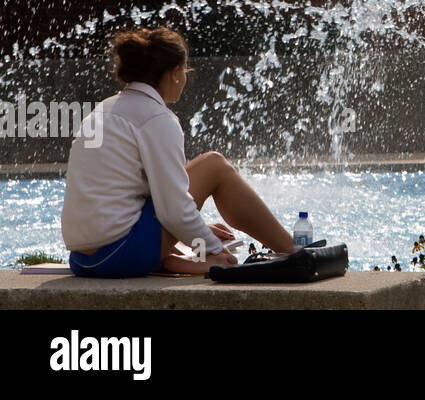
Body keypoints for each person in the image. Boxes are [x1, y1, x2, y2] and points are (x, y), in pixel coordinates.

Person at [61, 26, 295, 277]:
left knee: (190, 183)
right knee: (214, 165)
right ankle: (294, 252)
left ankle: (170, 259)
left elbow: (124, 195)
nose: (185, 78)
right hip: (121, 254)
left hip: (84, 261)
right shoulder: (156, 118)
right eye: (185, 71)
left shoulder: (104, 109)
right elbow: (173, 210)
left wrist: (196, 232)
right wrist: (212, 249)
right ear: (174, 73)